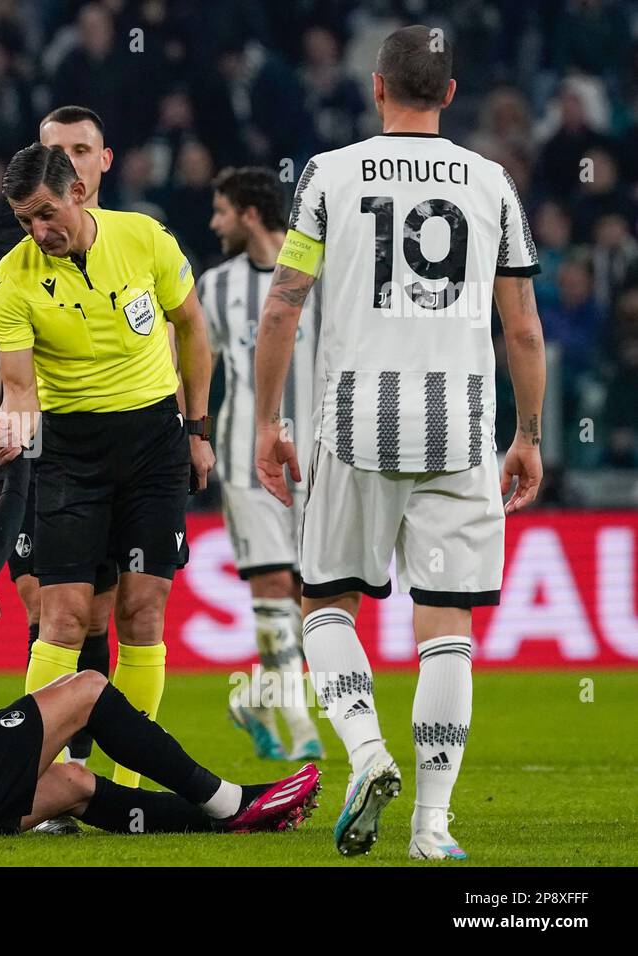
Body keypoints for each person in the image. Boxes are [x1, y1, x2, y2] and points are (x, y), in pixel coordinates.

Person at [252, 25, 545, 860]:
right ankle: (433, 827)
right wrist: (526, 435)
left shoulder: (330, 175)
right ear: (450, 94)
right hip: (461, 426)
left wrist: (269, 422)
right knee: (446, 623)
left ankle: (368, 753)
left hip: (355, 421)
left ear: (376, 87)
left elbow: (283, 306)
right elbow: (522, 329)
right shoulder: (491, 182)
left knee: (326, 602)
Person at [0, 453, 321, 836]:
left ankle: (236, 824)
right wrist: (21, 464)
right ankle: (230, 801)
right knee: (87, 687)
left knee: (72, 783)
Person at [0, 143, 214, 790]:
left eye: (46, 213)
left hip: (152, 448)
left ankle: (128, 790)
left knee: (143, 612)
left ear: (80, 193)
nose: (38, 231)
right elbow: (21, 389)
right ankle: (39, 781)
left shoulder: (144, 238)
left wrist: (196, 428)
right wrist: (11, 433)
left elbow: (194, 327)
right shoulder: (12, 280)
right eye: (24, 219)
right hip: (70, 454)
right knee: (61, 618)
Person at [0, 106, 118, 795]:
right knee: (45, 607)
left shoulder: (131, 238)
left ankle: (82, 768)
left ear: (100, 163)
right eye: (57, 150)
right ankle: (46, 771)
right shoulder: (1, 237)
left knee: (94, 616)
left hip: (114, 448)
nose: (71, 161)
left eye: (82, 150)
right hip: (32, 445)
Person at [198, 167, 323, 762]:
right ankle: (299, 726)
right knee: (274, 583)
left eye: (221, 211)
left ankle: (256, 695)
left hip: (318, 458)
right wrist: (189, 434)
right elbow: (193, 371)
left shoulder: (315, 275)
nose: (214, 222)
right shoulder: (214, 286)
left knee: (311, 593)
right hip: (247, 461)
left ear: (249, 213)